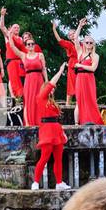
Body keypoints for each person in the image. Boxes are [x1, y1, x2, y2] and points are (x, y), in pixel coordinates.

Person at [31, 63, 70, 191]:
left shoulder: (52, 102)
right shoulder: (41, 97)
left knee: (58, 159)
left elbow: (57, 120)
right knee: (44, 158)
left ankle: (59, 183)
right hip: (46, 130)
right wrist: (60, 70)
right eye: (50, 88)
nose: (52, 89)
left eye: (53, 89)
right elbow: (51, 83)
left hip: (56, 130)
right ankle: (35, 182)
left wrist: (62, 132)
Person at [52, 18, 84, 107]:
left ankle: (80, 104)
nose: (72, 35)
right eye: (70, 35)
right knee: (71, 85)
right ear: (69, 37)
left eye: (73, 33)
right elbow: (59, 40)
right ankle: (67, 104)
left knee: (81, 85)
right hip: (73, 64)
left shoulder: (82, 44)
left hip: (81, 65)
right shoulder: (69, 44)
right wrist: (54, 29)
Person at [73, 36, 102, 125]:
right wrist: (80, 26)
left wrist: (80, 66)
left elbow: (93, 68)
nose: (89, 44)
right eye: (87, 42)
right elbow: (75, 38)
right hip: (80, 78)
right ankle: (76, 123)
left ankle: (92, 120)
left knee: (91, 99)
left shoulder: (95, 55)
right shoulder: (80, 52)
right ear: (84, 44)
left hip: (89, 78)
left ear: (93, 44)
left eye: (91, 43)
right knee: (79, 100)